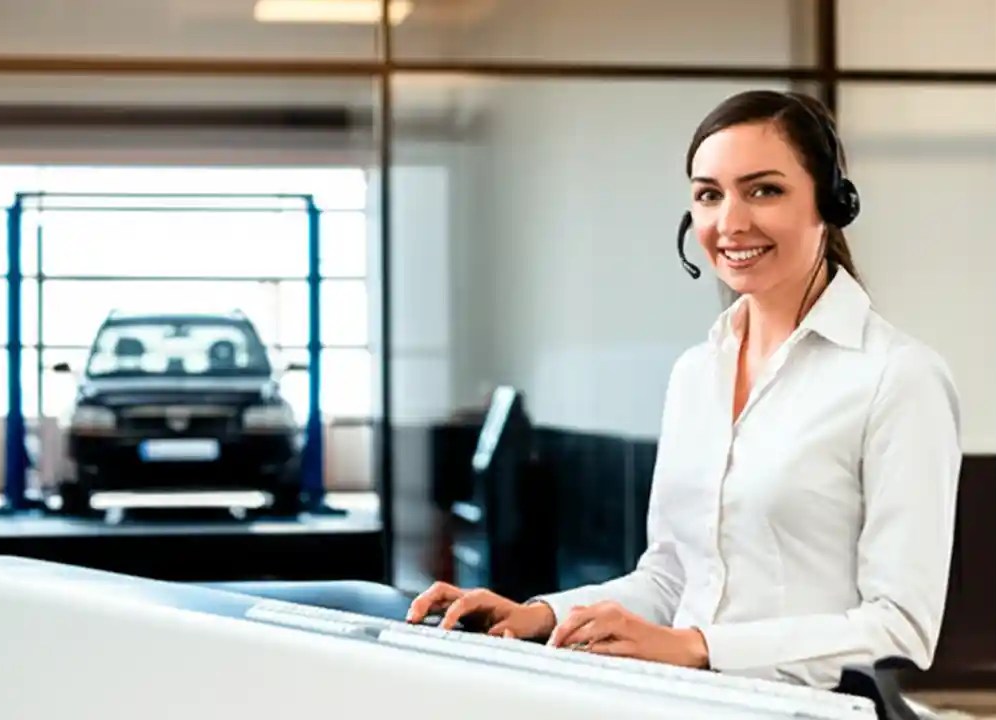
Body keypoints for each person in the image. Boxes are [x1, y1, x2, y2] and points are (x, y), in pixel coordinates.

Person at [405, 90, 962, 689]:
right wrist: (542, 615)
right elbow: (670, 579)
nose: (731, 223)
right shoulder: (697, 374)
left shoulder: (898, 377)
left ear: (830, 203)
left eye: (764, 190)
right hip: (689, 699)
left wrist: (698, 647)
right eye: (709, 195)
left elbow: (901, 626)